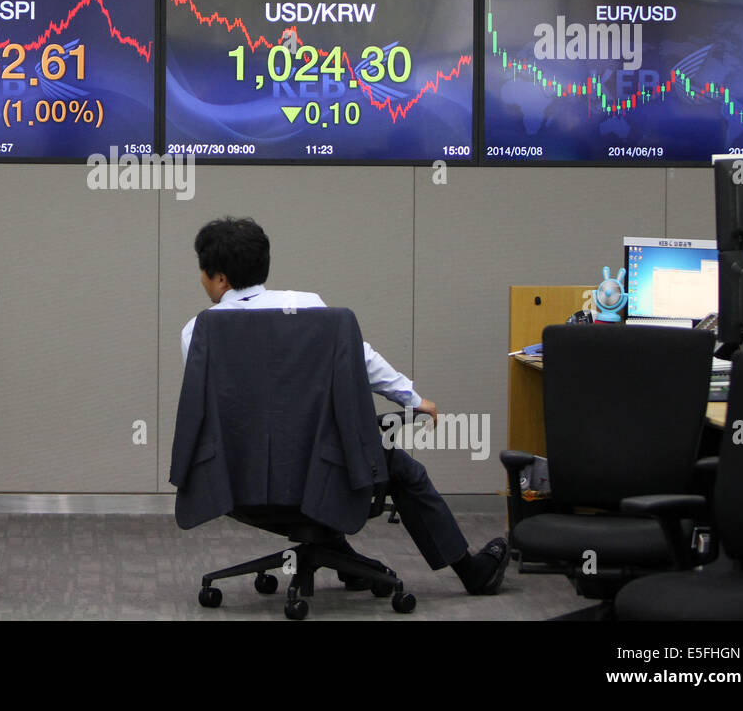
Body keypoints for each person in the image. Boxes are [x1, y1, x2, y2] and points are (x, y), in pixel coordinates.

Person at [180, 217, 508, 595]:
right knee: (399, 467)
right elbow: (363, 360)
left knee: (302, 467)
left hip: (238, 478)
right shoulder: (310, 307)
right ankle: (471, 572)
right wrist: (413, 399)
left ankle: (344, 561)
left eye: (201, 272)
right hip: (326, 469)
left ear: (219, 278)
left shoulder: (197, 332)